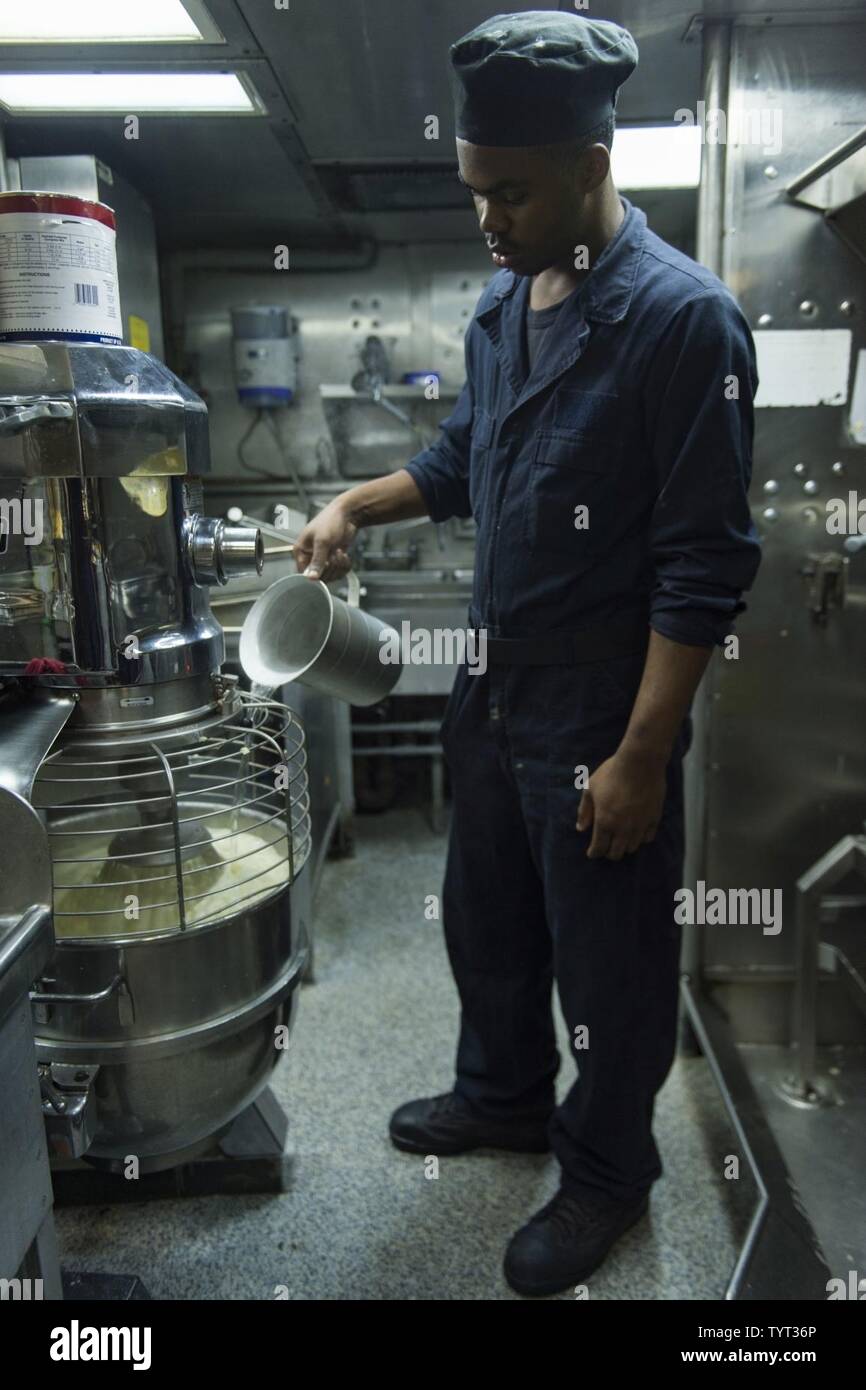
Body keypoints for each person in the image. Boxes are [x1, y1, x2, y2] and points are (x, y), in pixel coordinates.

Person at [293, 10, 761, 1297]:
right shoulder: (506, 308)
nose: (486, 222)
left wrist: (640, 754)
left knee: (605, 956)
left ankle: (607, 1169)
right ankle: (499, 1096)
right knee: (491, 923)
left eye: (512, 193)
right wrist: (350, 505)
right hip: (496, 683)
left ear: (591, 164)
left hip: (603, 704)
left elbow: (704, 567)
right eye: (474, 191)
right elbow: (461, 461)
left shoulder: (684, 324)